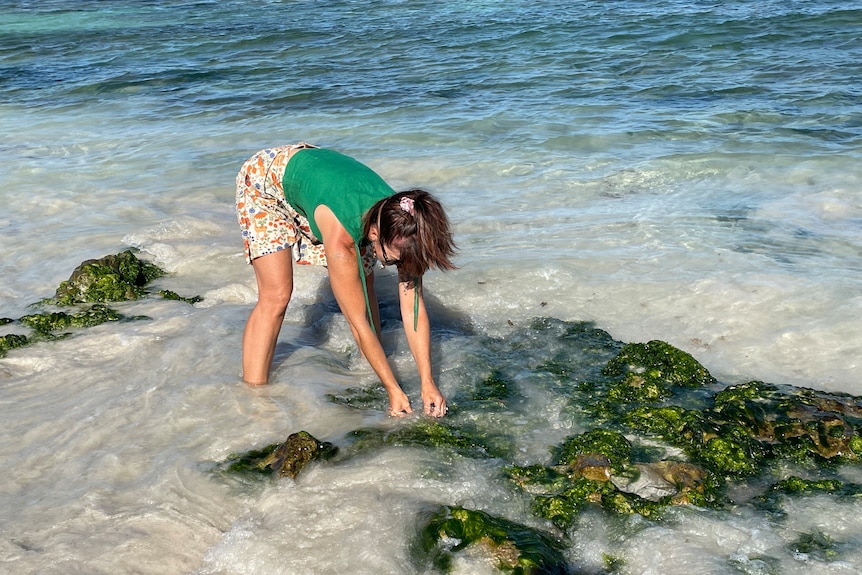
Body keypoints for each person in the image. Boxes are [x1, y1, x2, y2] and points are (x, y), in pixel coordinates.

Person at [235, 143, 456, 417]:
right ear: (375, 234)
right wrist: (393, 390)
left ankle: (368, 366)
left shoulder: (405, 223)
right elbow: (358, 322)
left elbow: (412, 308)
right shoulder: (344, 240)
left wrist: (428, 382)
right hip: (268, 182)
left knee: (365, 282)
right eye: (397, 261)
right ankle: (253, 398)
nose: (402, 268)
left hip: (324, 181)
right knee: (277, 295)